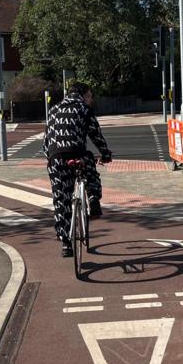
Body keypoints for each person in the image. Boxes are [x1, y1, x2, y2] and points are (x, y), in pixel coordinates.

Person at [42, 81, 112, 258]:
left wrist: (50, 159)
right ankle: (94, 198)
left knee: (61, 199)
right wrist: (105, 154)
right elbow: (96, 135)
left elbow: (46, 141)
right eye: (89, 96)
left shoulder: (53, 109)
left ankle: (65, 244)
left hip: (56, 159)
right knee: (90, 170)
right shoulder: (84, 109)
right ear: (83, 95)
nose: (90, 100)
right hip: (78, 155)